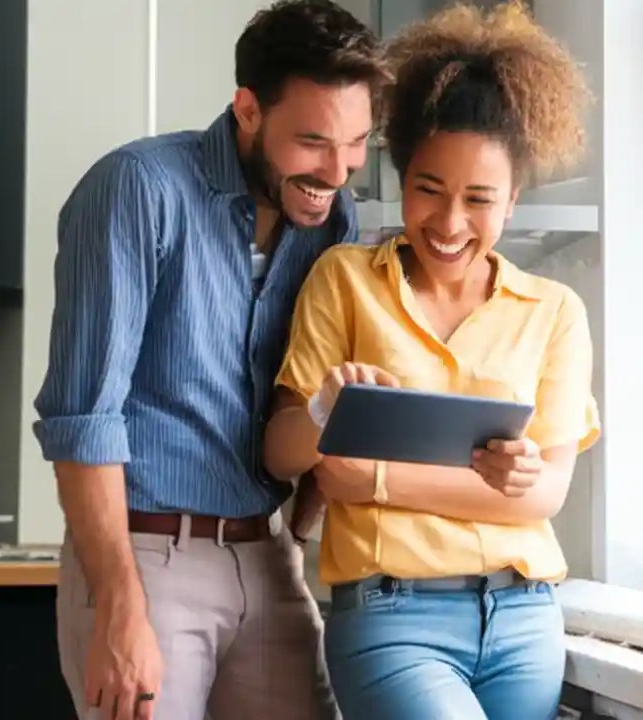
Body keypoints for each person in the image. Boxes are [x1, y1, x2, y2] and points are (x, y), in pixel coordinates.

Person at [31, 2, 389, 719]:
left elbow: (312, 392)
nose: (337, 171)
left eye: (357, 144)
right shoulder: (139, 189)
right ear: (248, 110)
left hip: (268, 556)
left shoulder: (332, 221)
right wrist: (120, 606)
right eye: (313, 141)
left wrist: (299, 536)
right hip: (149, 556)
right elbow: (84, 419)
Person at [262, 3, 599, 718]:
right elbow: (283, 453)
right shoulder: (345, 281)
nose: (449, 224)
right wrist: (323, 411)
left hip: (525, 618)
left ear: (512, 200)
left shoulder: (555, 313)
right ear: (401, 174)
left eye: (479, 199)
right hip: (390, 617)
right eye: (428, 190)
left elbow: (544, 497)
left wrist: (375, 478)